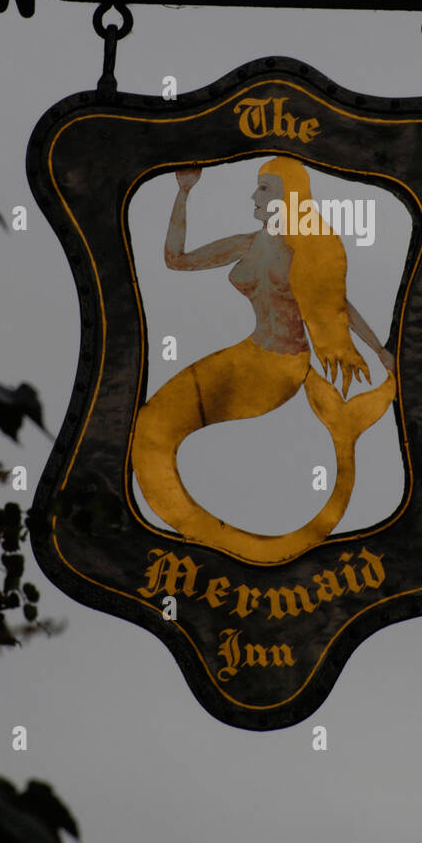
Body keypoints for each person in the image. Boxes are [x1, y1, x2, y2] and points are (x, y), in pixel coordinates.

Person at [130, 156, 396, 563]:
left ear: (288, 196)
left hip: (281, 368)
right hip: (250, 354)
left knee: (157, 429)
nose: (254, 195)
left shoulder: (305, 249)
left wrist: (379, 351)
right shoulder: (249, 243)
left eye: (265, 188)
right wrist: (183, 193)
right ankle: (226, 546)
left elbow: (338, 306)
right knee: (150, 429)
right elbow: (176, 259)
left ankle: (236, 544)